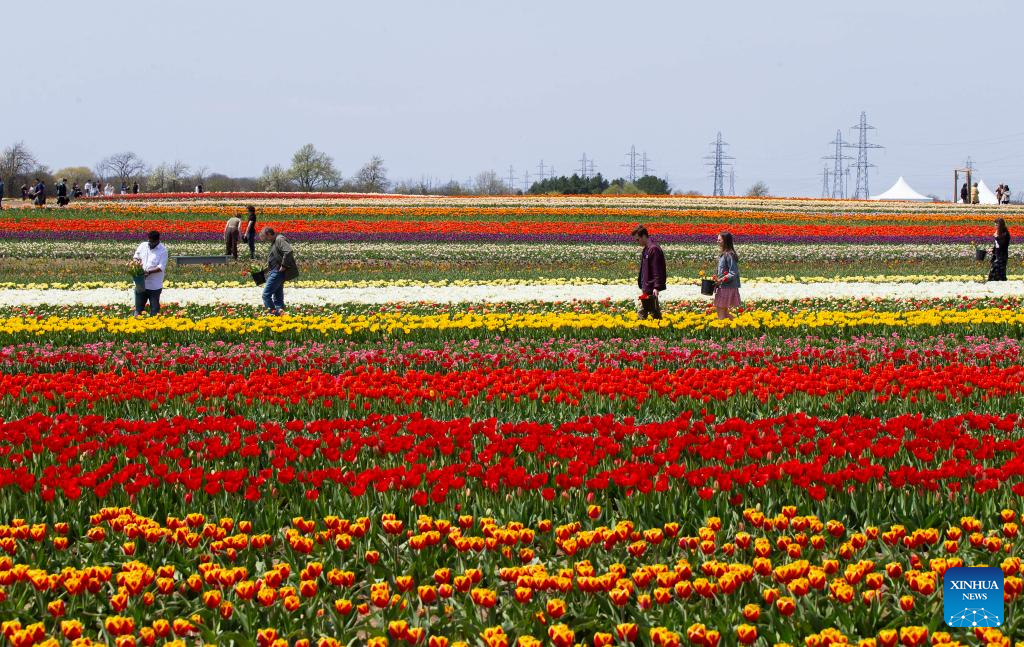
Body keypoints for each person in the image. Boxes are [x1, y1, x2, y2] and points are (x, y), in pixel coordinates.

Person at [260, 227, 298, 315]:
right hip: (275, 271)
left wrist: (284, 265)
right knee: (277, 297)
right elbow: (274, 259)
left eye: (265, 237)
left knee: (266, 295)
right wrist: (263, 271)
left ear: (269, 234)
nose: (265, 240)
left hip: (277, 272)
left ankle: (273, 314)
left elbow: (288, 251)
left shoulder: (279, 239)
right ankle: (280, 315)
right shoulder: (275, 241)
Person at [632, 225, 666, 320]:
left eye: (637, 239)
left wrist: (656, 287)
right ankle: (660, 329)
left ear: (644, 236)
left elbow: (657, 269)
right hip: (646, 286)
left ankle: (638, 330)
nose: (637, 242)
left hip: (650, 287)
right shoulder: (646, 249)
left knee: (642, 312)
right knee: (655, 313)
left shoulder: (653, 249)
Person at [132, 231, 168, 315]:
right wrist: (137, 266)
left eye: (152, 242)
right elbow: (136, 257)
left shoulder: (163, 251)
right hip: (141, 284)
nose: (150, 243)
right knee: (138, 309)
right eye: (149, 241)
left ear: (158, 240)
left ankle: (154, 326)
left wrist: (148, 272)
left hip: (154, 286)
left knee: (154, 310)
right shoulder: (143, 245)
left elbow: (161, 267)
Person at [714, 231, 742, 320]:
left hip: (726, 287)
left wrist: (721, 280)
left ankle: (722, 331)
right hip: (724, 287)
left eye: (719, 240)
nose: (717, 241)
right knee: (725, 313)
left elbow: (733, 272)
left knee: (721, 314)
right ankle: (742, 327)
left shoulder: (729, 254)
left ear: (725, 241)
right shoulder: (724, 254)